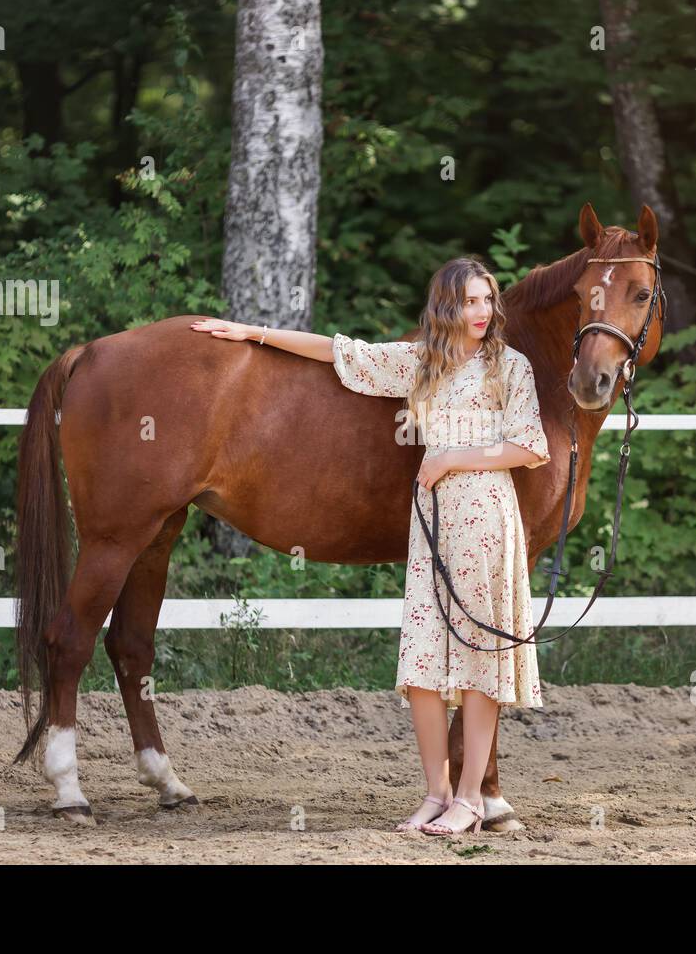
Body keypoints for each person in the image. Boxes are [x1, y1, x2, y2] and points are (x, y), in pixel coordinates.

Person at [190, 256, 550, 836]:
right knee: (425, 667)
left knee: (482, 666)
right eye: (470, 301)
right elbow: (340, 353)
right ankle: (435, 793)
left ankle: (470, 799)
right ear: (446, 307)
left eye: (488, 299)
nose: (482, 312)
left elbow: (532, 446)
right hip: (433, 523)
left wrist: (453, 457)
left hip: (486, 518)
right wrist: (249, 334)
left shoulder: (508, 367)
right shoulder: (422, 364)